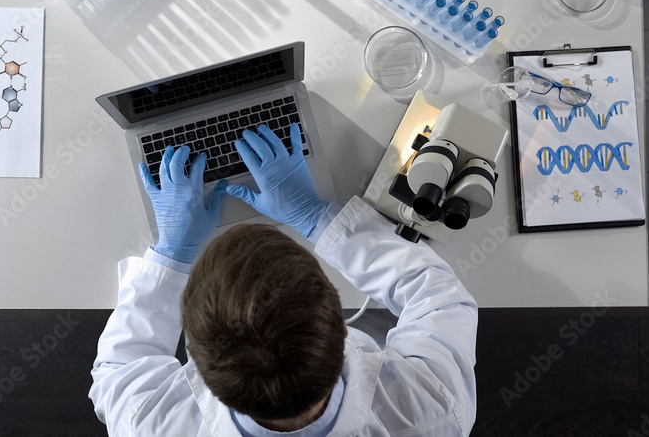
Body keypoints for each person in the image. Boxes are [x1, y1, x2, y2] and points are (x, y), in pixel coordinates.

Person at [89, 123, 478, 436]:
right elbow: (438, 294)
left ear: (200, 368)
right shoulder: (435, 408)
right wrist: (315, 216)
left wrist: (172, 252)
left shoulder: (147, 424)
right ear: (342, 328)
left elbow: (117, 373)